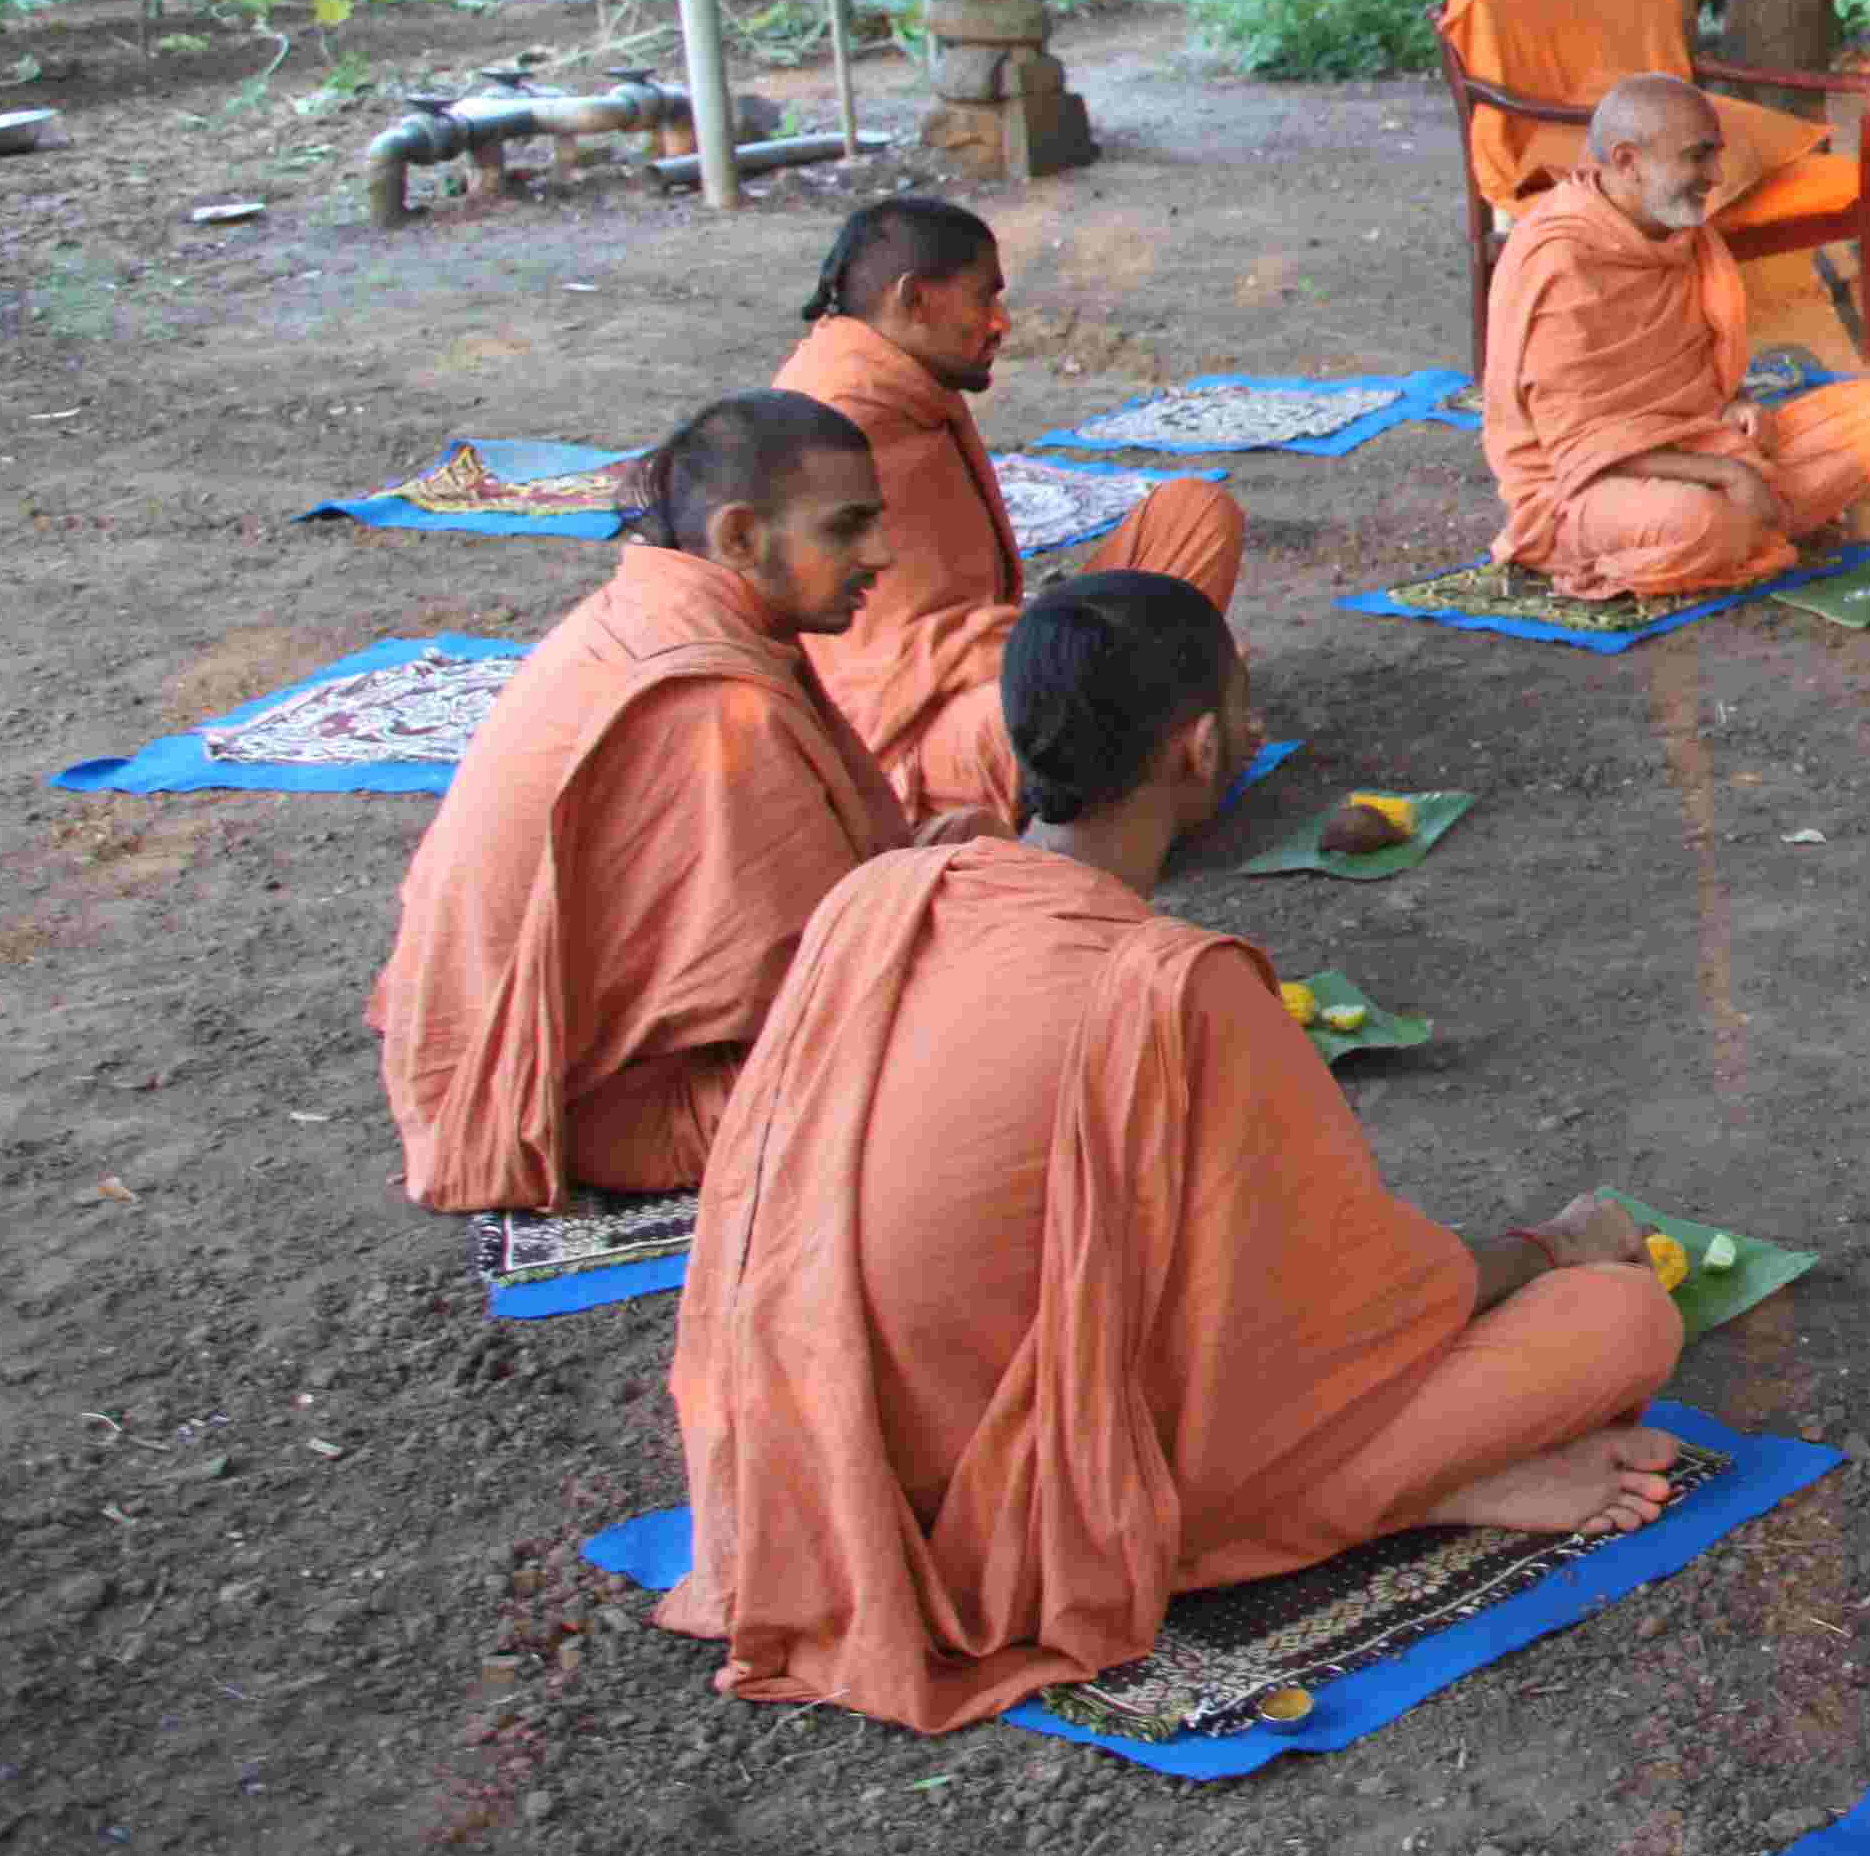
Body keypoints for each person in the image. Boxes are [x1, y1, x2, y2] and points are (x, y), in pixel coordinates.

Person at [659, 575, 1687, 1734]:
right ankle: (1408, 1492)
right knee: (1617, 1318)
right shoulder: (1176, 986)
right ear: (1200, 749)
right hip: (1017, 1516)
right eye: (1244, 715)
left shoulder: (882, 895)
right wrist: (1545, 1249)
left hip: (791, 1448)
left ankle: (1423, 1478)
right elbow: (1362, 1315)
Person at [371, 393, 912, 1212]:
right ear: (738, 537)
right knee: (961, 1047)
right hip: (563, 1106)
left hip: (483, 1055)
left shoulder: (651, 607)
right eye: (846, 527)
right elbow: (816, 992)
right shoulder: (717, 705)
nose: (883, 551)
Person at [774, 195, 1245, 815]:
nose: (1000, 322)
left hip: (1001, 655)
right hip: (915, 732)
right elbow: (897, 667)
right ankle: (1137, 771)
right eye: (983, 299)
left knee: (1193, 515)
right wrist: (1130, 659)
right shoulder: (838, 427)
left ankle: (1142, 734)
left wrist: (1120, 649)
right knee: (1099, 717)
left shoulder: (907, 378)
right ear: (913, 300)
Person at [1480, 74, 1870, 596]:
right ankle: (1738, 528)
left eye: (1715, 155)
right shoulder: (1562, 260)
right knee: (1703, 521)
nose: (1716, 174)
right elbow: (1577, 447)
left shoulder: (1682, 230)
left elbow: (1700, 363)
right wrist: (1727, 475)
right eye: (1698, 156)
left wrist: (1735, 401)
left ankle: (1749, 526)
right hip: (1580, 486)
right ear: (1626, 161)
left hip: (1698, 439)